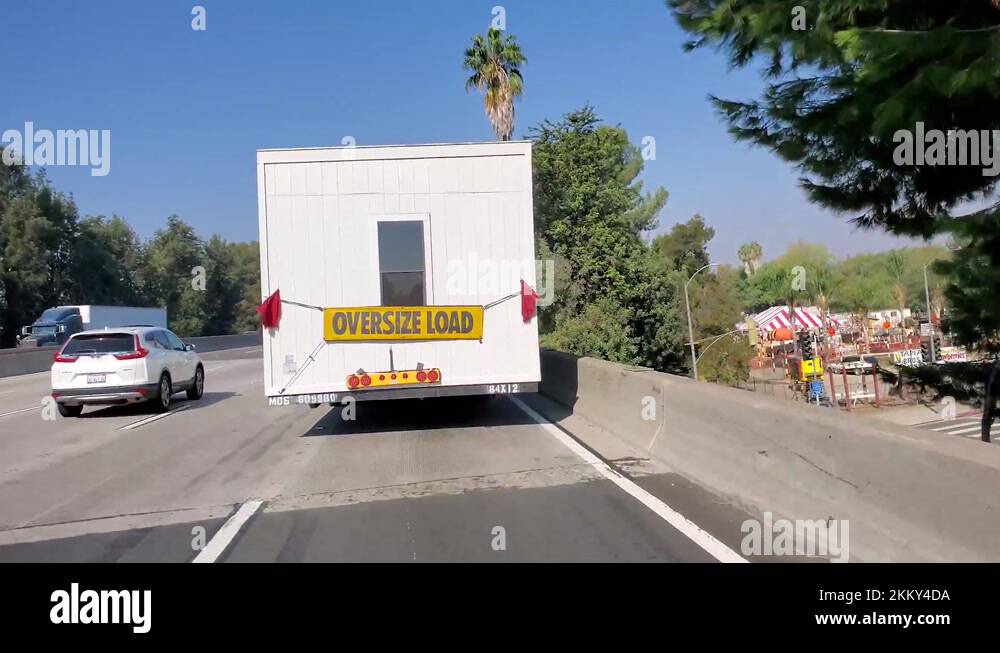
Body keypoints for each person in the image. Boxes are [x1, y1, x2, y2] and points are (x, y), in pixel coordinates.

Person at [983, 359, 1000, 443]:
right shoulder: (995, 365)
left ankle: (985, 441)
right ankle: (985, 441)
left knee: (986, 418)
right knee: (987, 417)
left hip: (991, 393)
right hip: (992, 393)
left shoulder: (994, 365)